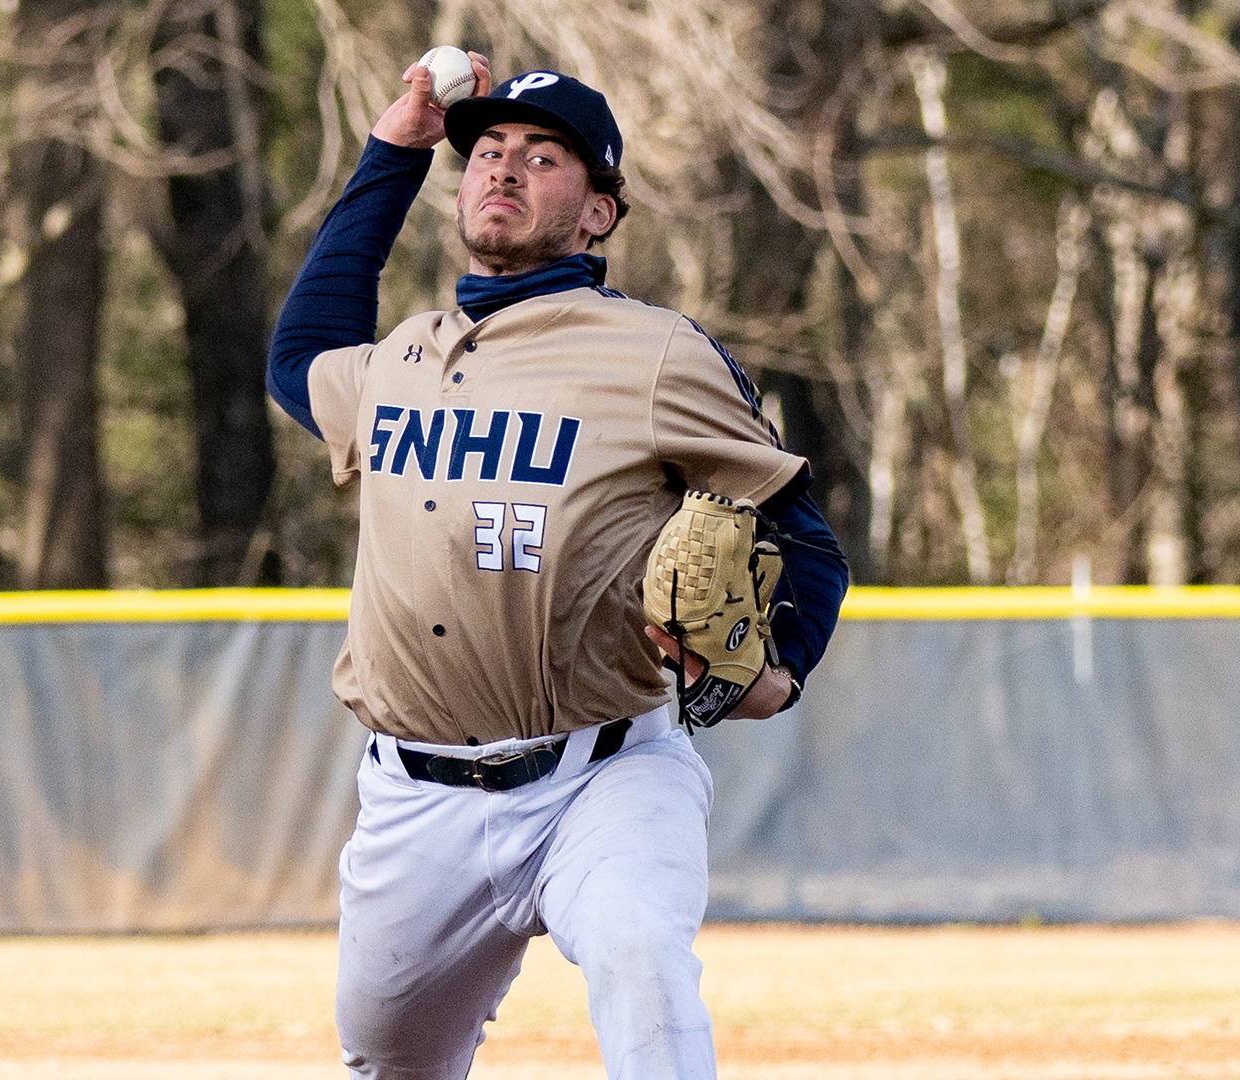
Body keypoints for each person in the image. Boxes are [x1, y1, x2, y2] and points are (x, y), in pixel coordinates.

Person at [266, 54, 851, 1080]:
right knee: (389, 1064)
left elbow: (801, 530)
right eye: (488, 152)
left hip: (608, 772)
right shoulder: (402, 355)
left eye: (543, 158)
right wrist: (394, 153)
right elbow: (297, 356)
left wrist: (779, 670)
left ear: (599, 216)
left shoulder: (656, 354)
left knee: (641, 961)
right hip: (417, 798)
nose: (504, 169)